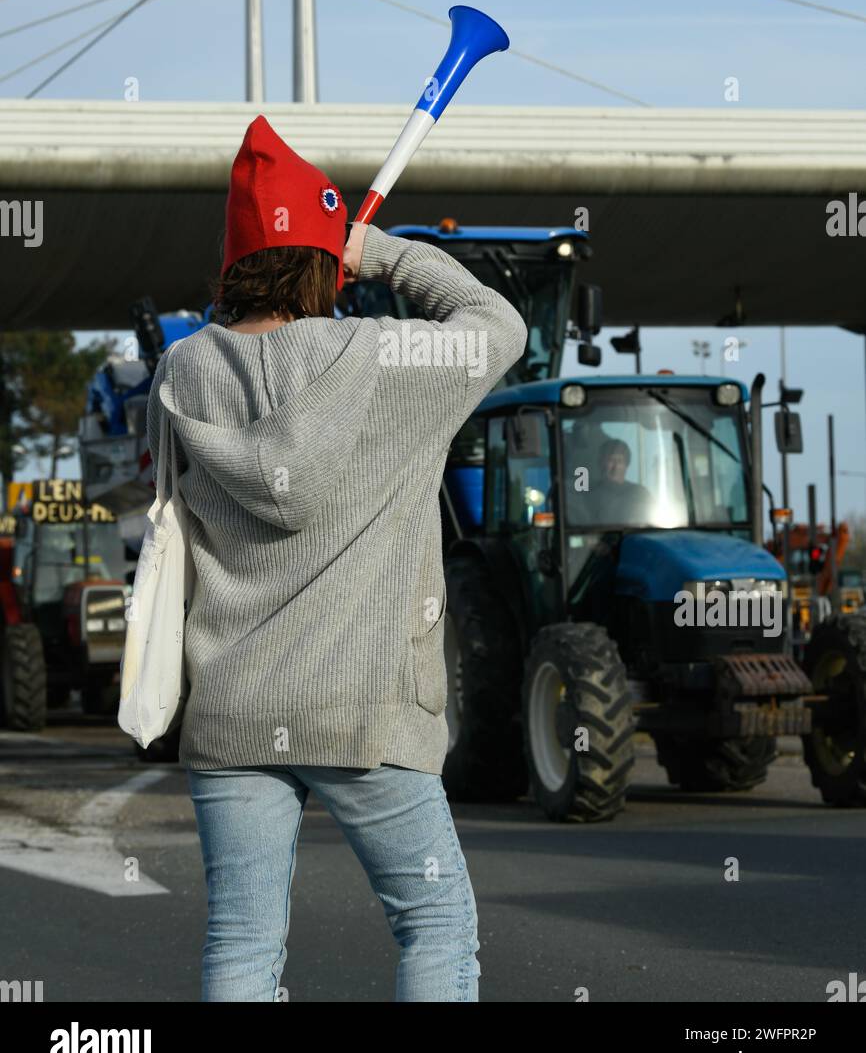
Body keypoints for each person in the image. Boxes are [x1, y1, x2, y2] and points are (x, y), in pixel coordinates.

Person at [145, 114, 527, 1002]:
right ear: (329, 260)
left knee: (241, 948)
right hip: (367, 712)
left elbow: (236, 358)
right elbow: (495, 325)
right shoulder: (385, 357)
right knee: (433, 927)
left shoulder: (180, 372)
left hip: (235, 708)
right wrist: (383, 254)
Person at [590, 437, 653, 525]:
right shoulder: (589, 495)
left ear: (626, 465)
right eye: (611, 461)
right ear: (601, 463)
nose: (615, 467)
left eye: (620, 461)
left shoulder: (640, 494)